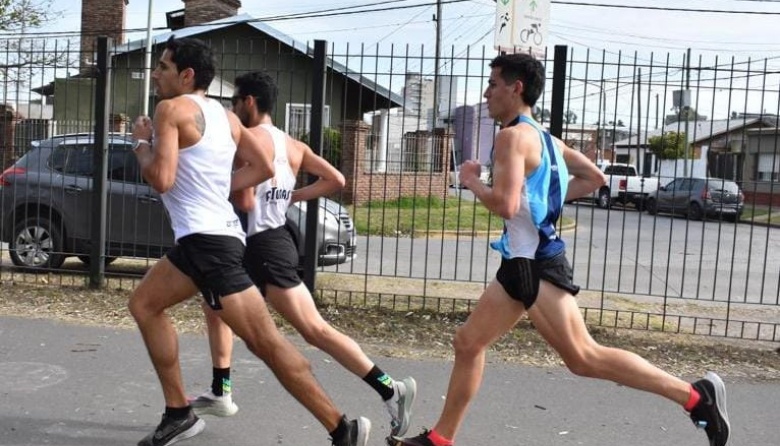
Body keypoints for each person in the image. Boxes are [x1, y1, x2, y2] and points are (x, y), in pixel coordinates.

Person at [393, 53, 730, 446]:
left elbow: (504, 203)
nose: (486, 94)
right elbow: (595, 177)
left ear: (516, 88)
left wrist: (470, 180)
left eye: (493, 84)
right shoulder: (546, 139)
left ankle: (695, 397)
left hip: (535, 265)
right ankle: (440, 439)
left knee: (584, 358)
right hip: (517, 264)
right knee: (468, 342)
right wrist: (546, 201)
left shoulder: (511, 137)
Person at [128, 36, 370, 446]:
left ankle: (341, 428)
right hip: (207, 239)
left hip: (210, 246)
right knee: (144, 304)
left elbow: (162, 179)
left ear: (186, 75)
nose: (155, 74)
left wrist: (140, 143)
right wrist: (216, 186)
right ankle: (178, 412)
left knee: (267, 345)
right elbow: (261, 166)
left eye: (163, 67)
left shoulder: (169, 109)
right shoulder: (228, 118)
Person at [187, 70, 417, 438]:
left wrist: (221, 187)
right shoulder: (293, 145)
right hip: (272, 240)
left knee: (314, 330)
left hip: (260, 245)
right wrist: (292, 196)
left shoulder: (244, 141)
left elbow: (245, 199)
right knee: (214, 306)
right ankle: (221, 389)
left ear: (248, 102)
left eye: (234, 102)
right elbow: (337, 181)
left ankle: (389, 387)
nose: (231, 109)